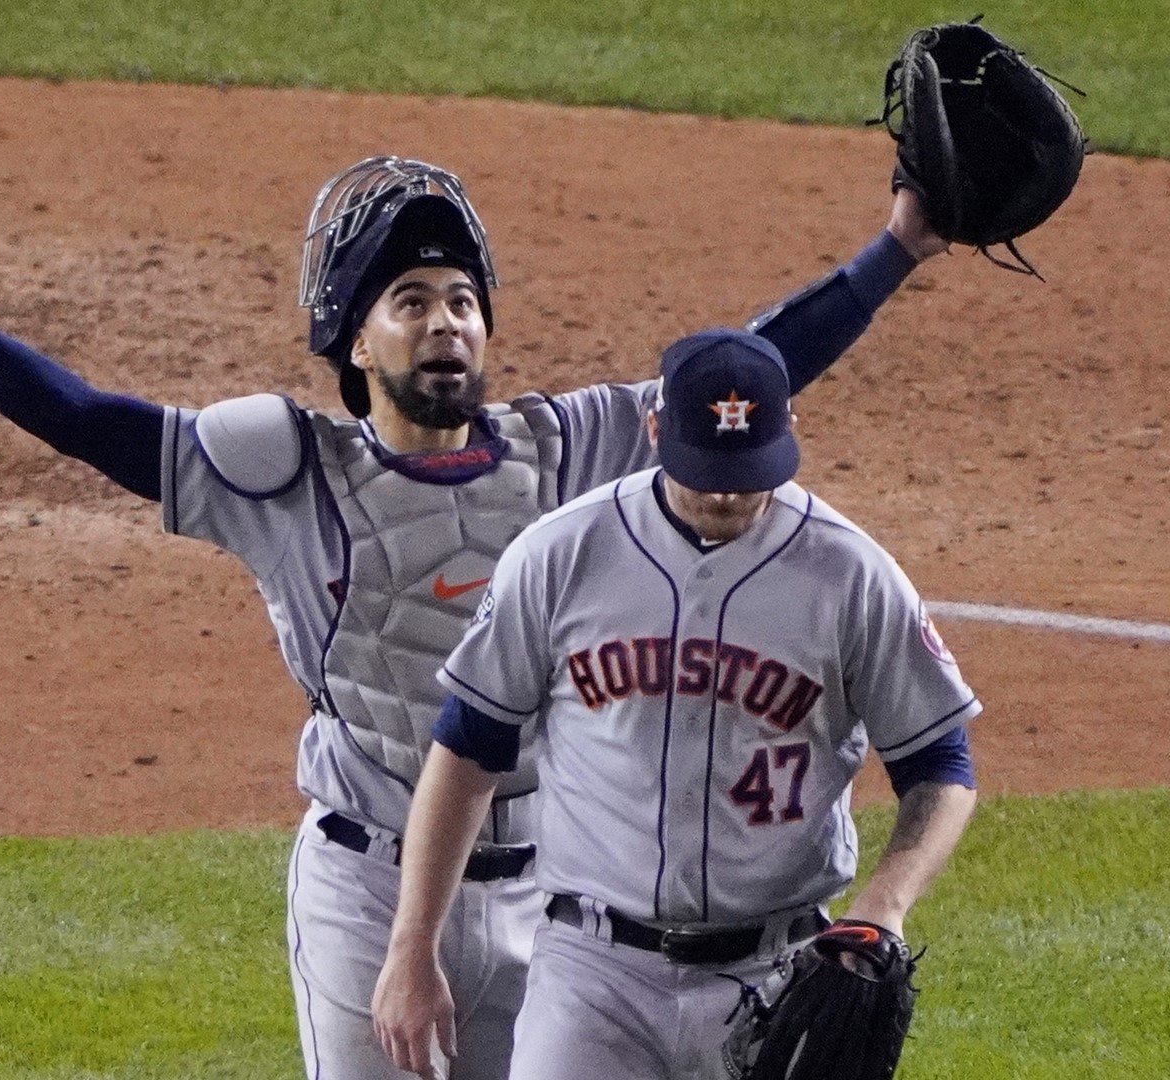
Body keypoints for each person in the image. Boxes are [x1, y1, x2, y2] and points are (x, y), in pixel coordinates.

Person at [0, 158, 950, 1080]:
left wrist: (898, 246)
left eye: (461, 302)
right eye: (409, 303)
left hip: (559, 890)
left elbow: (744, 377)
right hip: (364, 881)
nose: (444, 322)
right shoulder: (283, 471)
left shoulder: (571, 448)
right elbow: (90, 422)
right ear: (357, 340)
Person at [371, 328, 980, 1080]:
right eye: (704, 468)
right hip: (593, 978)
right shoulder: (561, 553)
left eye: (748, 469)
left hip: (775, 976)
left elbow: (942, 765)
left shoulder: (852, 575)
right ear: (655, 430)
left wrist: (884, 903)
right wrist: (412, 947)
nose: (725, 491)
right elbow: (467, 750)